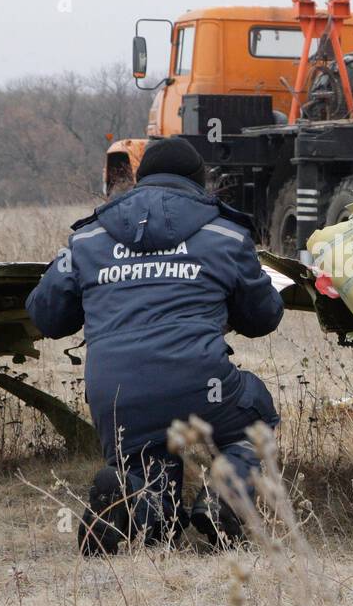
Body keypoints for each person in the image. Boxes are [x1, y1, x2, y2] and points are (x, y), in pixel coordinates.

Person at [25, 138, 284, 553]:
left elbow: (46, 317)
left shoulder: (88, 237)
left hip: (116, 392)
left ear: (138, 180)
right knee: (256, 415)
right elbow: (264, 317)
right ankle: (224, 495)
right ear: (200, 184)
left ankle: (129, 496)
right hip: (201, 381)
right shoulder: (224, 232)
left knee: (148, 467)